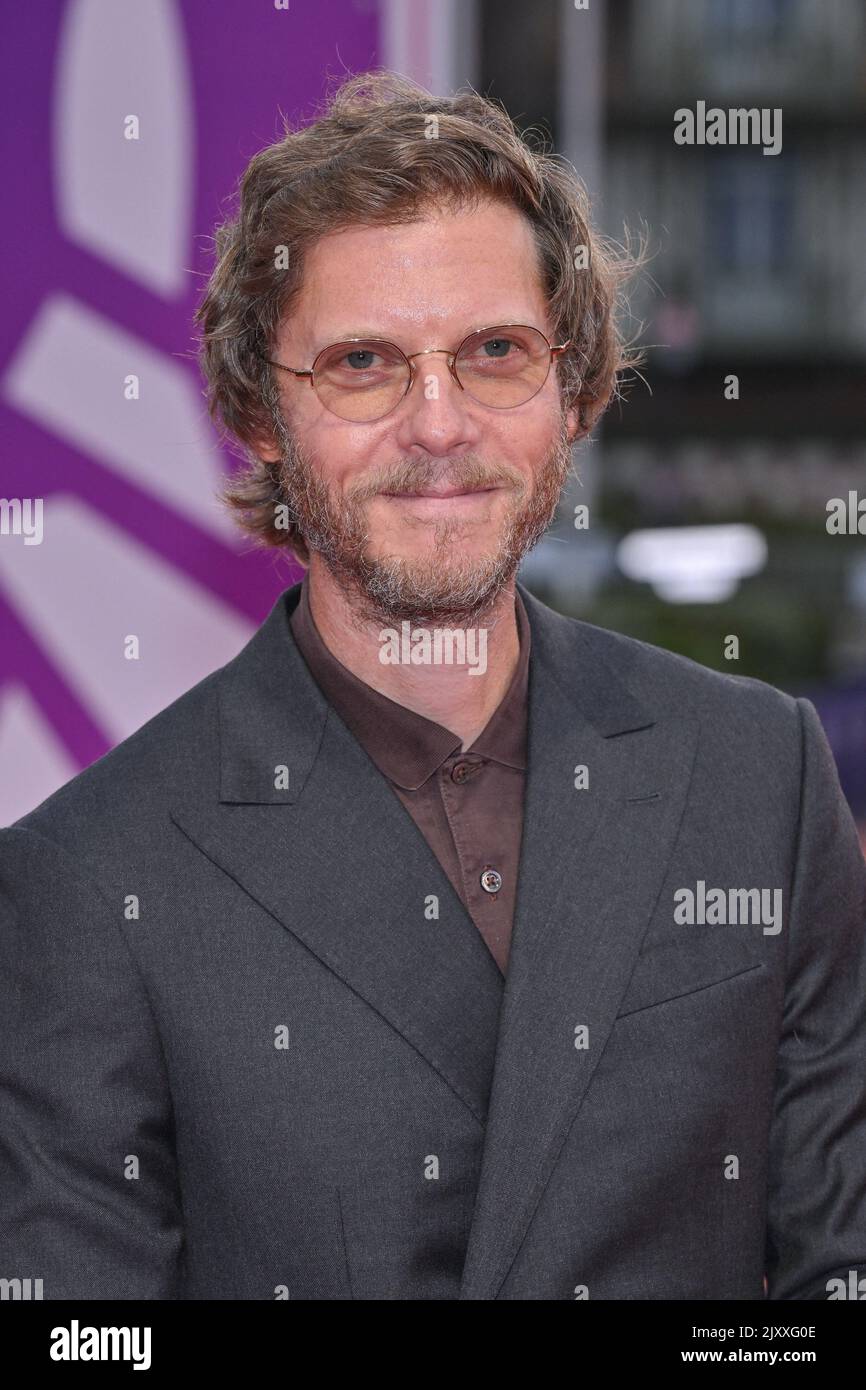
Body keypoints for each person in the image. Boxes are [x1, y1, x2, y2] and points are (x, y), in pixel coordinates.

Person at [2, 70, 865, 1301]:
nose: (439, 422)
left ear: (570, 390)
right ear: (259, 417)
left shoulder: (756, 778)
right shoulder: (89, 880)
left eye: (495, 353)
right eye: (363, 362)